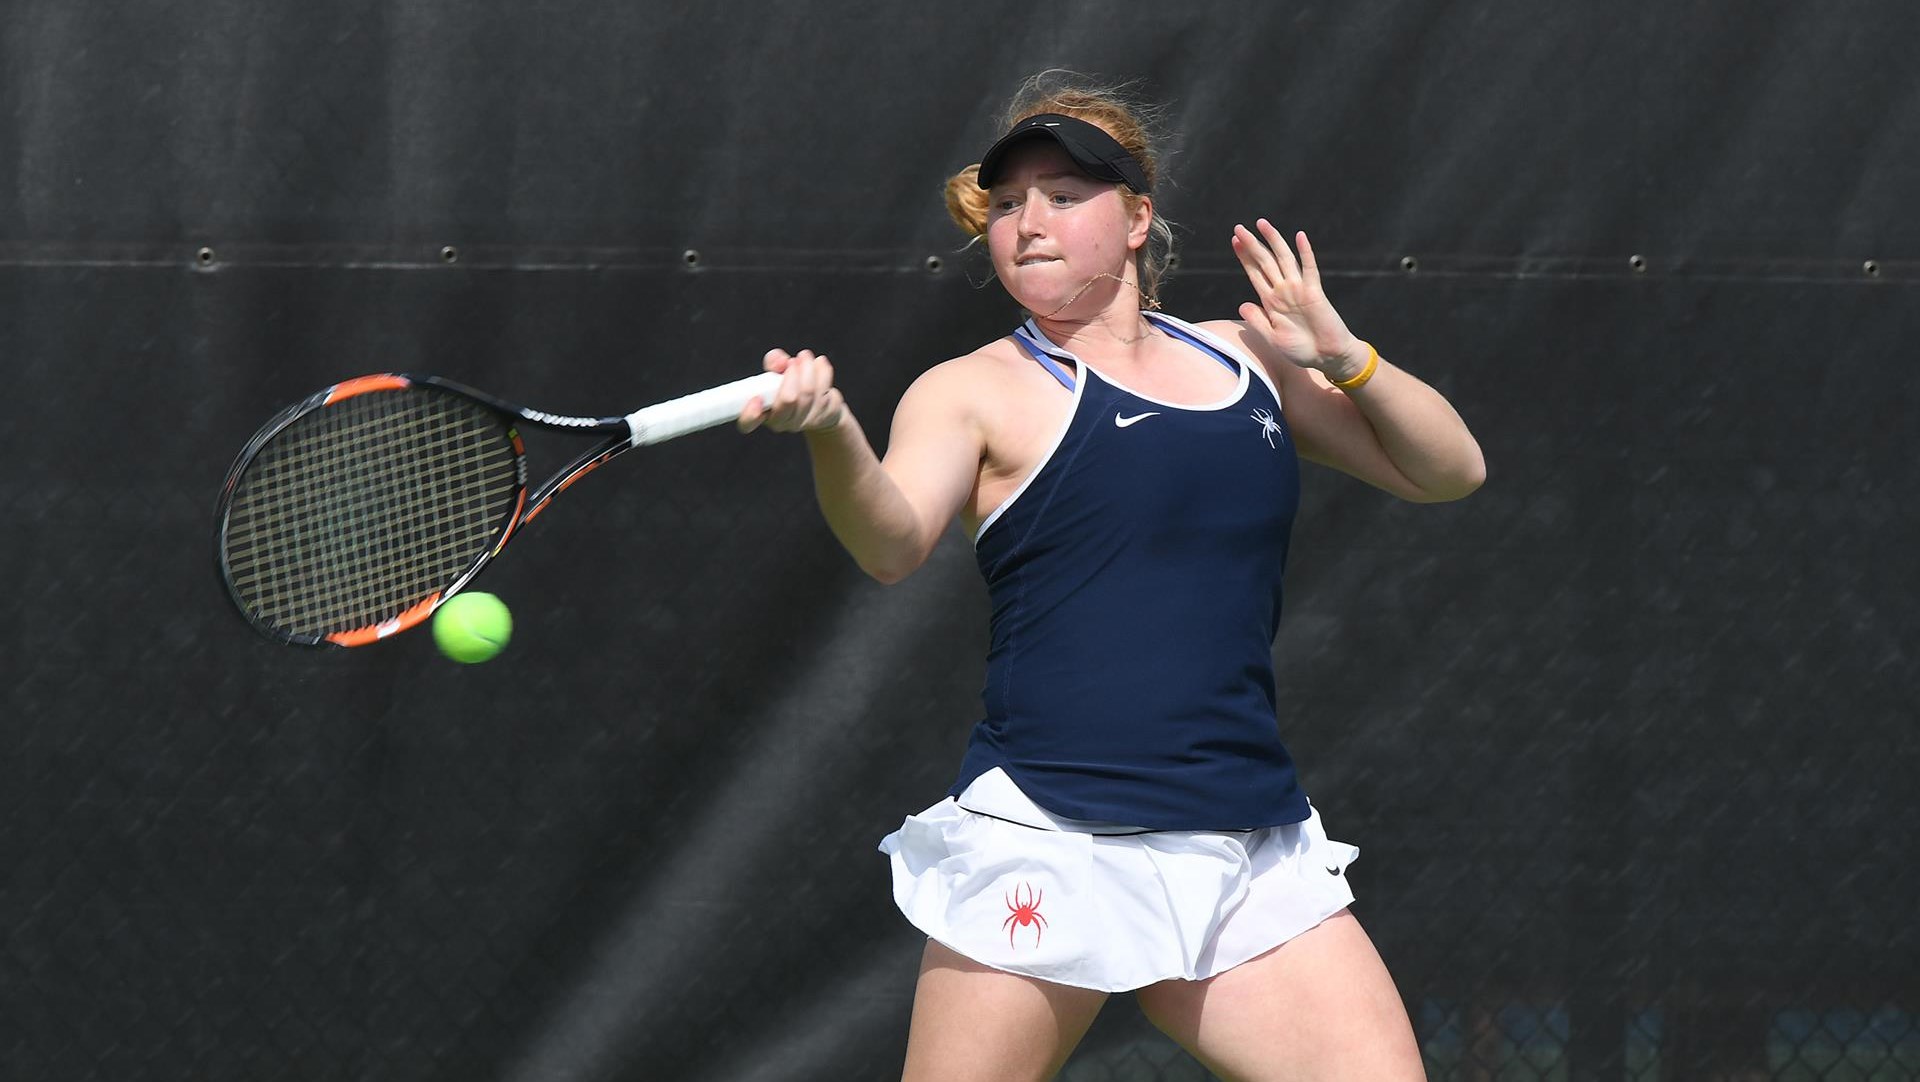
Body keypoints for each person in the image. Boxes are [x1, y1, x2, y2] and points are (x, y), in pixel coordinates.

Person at [738, 72, 1483, 1082]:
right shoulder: (970, 390)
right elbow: (891, 539)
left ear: (1137, 218)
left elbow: (1449, 470)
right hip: (1048, 834)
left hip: (1246, 843)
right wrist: (830, 431)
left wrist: (1347, 355)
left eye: (1063, 195)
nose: (1028, 223)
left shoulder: (1248, 358)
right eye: (1006, 205)